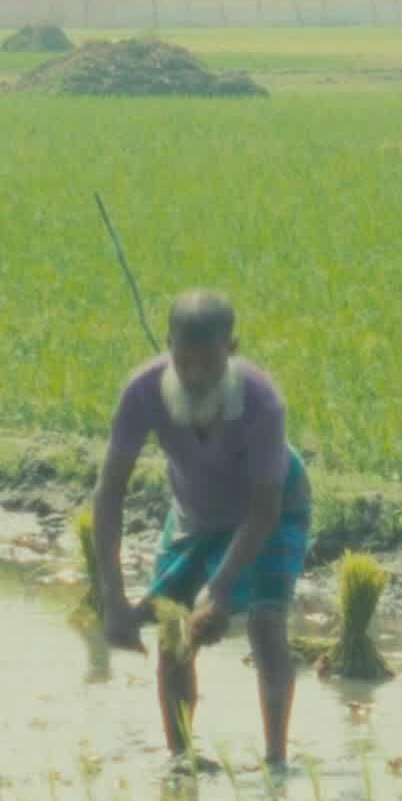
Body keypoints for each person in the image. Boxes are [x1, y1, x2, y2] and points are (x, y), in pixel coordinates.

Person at [90, 289, 310, 764]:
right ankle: (182, 760)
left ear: (231, 350)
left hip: (268, 507)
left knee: (267, 626)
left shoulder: (261, 402)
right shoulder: (144, 391)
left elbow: (264, 510)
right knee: (174, 630)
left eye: (208, 362)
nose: (194, 375)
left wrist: (220, 587)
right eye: (184, 360)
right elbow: (109, 491)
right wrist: (112, 597)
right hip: (195, 510)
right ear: (168, 345)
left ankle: (276, 762)